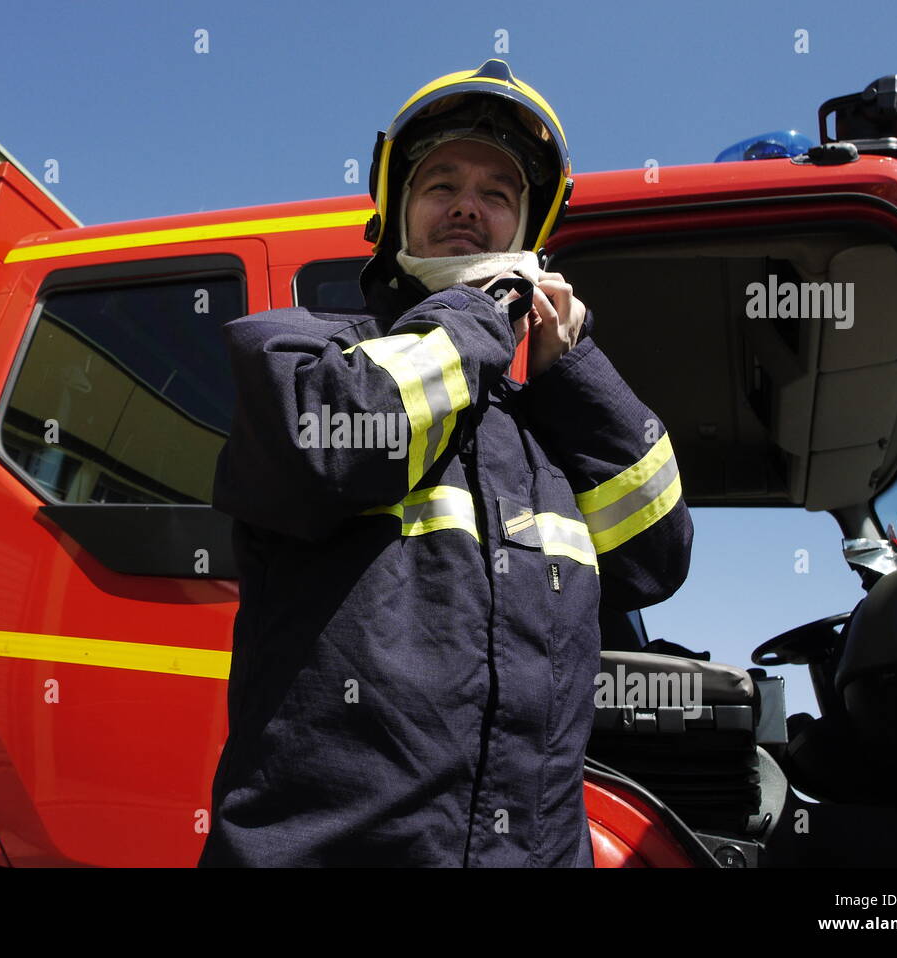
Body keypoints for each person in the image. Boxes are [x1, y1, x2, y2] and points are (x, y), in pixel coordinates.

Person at [199, 59, 692, 867]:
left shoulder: (550, 436)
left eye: (499, 194)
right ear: (395, 214)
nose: (469, 204)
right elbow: (340, 439)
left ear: (530, 235)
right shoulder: (298, 353)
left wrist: (578, 375)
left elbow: (657, 556)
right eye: (442, 185)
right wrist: (482, 306)